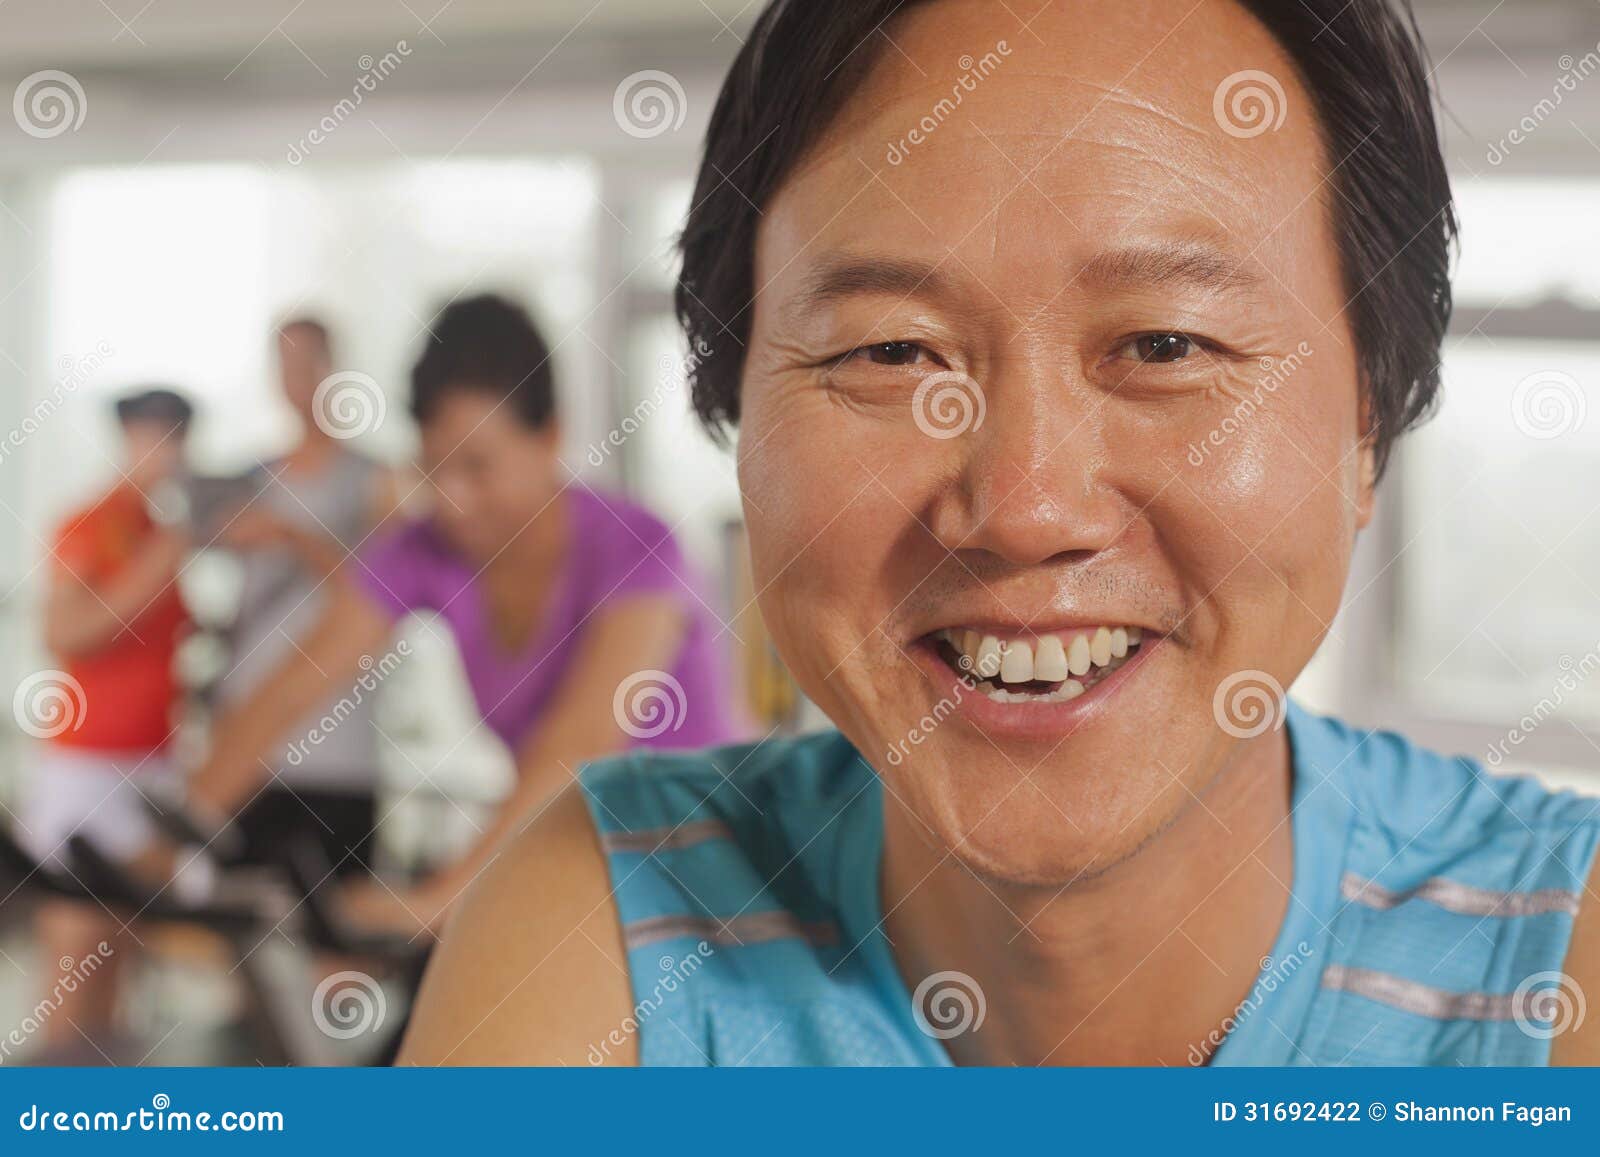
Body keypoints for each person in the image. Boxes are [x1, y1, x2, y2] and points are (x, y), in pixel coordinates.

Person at [400, 0, 1600, 1067]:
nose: (1024, 507)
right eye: (890, 352)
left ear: (1368, 430)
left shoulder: (1558, 968)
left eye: (1165, 345)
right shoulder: (607, 925)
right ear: (733, 415)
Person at [183, 293, 745, 932]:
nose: (453, 500)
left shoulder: (635, 546)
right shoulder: (424, 549)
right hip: (571, 868)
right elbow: (291, 688)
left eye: (479, 466)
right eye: (434, 469)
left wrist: (443, 897)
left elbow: (582, 739)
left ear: (551, 436)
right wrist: (178, 833)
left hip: (699, 886)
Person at [21, 387, 193, 1059]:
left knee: (120, 964)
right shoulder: (92, 523)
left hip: (150, 765)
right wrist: (163, 560)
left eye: (174, 437)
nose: (164, 452)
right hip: (85, 767)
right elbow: (64, 629)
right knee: (72, 967)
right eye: (151, 434)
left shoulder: (160, 530)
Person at [209, 317, 402, 879]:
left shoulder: (376, 479)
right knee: (240, 932)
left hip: (337, 754)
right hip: (250, 752)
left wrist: (293, 538)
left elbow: (385, 595)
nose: (297, 380)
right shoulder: (250, 478)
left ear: (333, 369)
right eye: (285, 365)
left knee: (334, 943)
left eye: (308, 363)